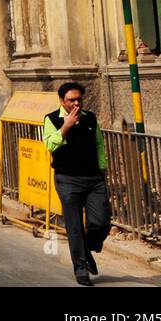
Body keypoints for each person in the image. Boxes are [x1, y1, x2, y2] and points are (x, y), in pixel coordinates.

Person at [43, 81, 110, 286]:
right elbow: (49, 144)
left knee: (101, 222)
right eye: (72, 100)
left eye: (79, 99)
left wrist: (103, 169)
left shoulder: (90, 118)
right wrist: (66, 126)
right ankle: (81, 269)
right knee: (74, 227)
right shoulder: (52, 119)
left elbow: (99, 144)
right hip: (67, 180)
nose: (76, 103)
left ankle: (87, 249)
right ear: (62, 101)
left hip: (93, 179)